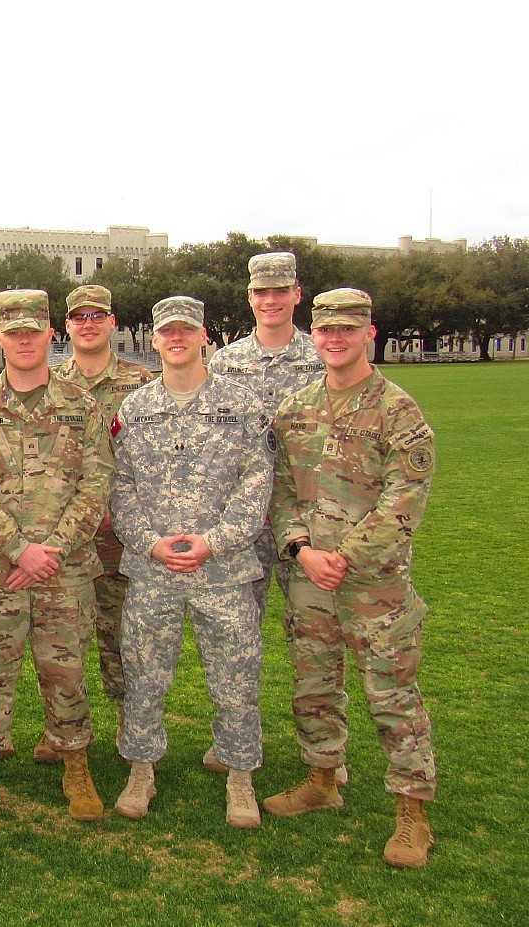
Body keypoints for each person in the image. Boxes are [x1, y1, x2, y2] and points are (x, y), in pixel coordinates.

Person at [264, 288, 437, 869]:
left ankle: (413, 811)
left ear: (370, 333)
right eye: (325, 330)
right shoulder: (294, 409)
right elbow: (282, 491)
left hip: (374, 586)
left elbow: (404, 499)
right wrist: (303, 550)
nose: (334, 339)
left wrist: (343, 555)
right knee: (314, 685)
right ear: (313, 335)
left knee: (391, 696)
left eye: (347, 329)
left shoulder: (398, 410)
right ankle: (322, 778)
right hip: (311, 578)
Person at [0, 288, 111, 826]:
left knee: (65, 671)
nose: (23, 340)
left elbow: (96, 482)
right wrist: (19, 548)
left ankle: (75, 762)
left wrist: (53, 550)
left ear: (50, 334)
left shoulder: (80, 405)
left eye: (33, 331)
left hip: (64, 570)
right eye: (13, 331)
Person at [111, 296, 273, 829]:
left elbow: (257, 482)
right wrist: (148, 541)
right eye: (166, 332)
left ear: (204, 335)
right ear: (154, 340)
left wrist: (216, 541)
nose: (176, 338)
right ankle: (141, 769)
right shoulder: (136, 409)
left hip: (223, 571)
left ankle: (240, 775)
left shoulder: (243, 403)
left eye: (187, 330)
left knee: (236, 677)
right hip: (153, 569)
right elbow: (122, 486)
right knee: (143, 675)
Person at [203, 251, 329, 778]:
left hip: (310, 517)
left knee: (316, 639)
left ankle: (323, 752)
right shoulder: (226, 363)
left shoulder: (322, 355)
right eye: (261, 292)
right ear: (250, 297)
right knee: (235, 638)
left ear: (297, 294)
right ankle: (235, 741)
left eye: (281, 291)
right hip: (243, 523)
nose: (271, 301)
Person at [34, 283, 152, 764]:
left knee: (123, 636)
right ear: (66, 326)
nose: (88, 324)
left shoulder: (142, 384)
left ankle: (132, 727)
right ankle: (59, 729)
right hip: (67, 537)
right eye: (78, 317)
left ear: (113, 322)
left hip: (124, 536)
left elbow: (152, 461)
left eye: (97, 316)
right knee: (61, 637)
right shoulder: (48, 382)